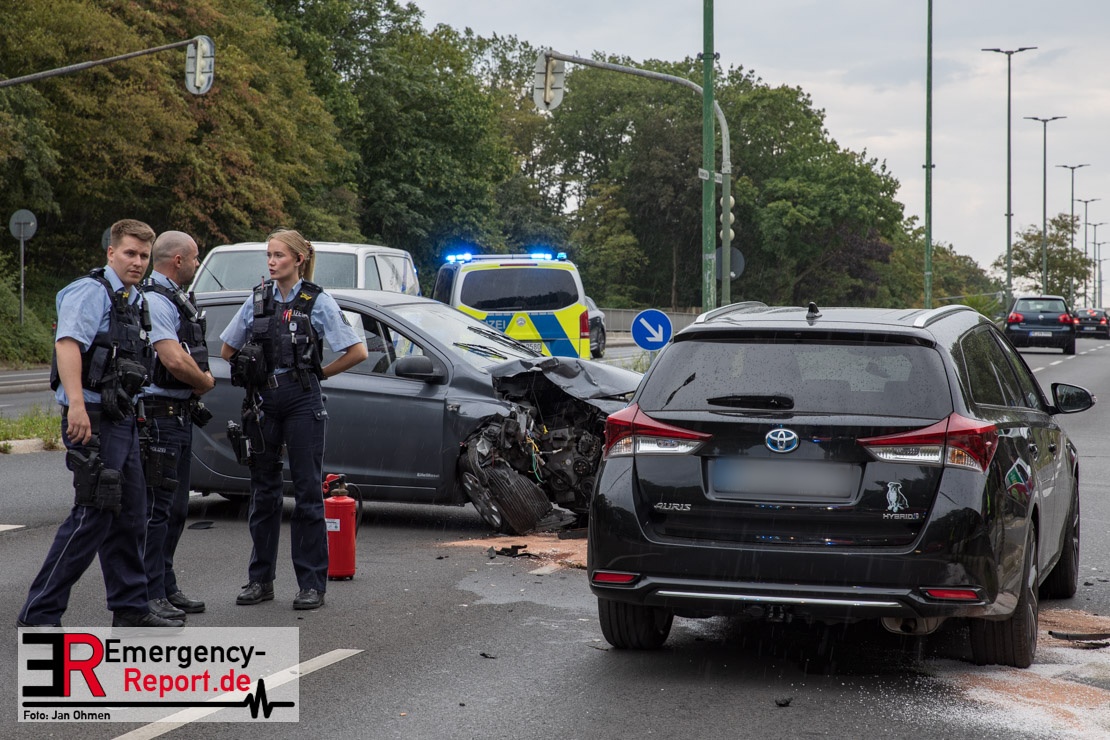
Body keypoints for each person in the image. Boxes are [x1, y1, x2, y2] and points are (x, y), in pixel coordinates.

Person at [18, 219, 183, 629]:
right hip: (91, 415)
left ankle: (130, 608)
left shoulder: (134, 299)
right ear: (111, 252)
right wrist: (75, 404)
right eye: (130, 253)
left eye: (144, 256)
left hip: (122, 417)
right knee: (92, 514)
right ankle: (39, 613)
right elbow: (68, 345)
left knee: (131, 513)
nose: (138, 262)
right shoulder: (90, 292)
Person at [219, 229, 366, 610]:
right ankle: (259, 580)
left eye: (279, 255)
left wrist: (321, 373)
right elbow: (226, 348)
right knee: (264, 493)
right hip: (264, 400)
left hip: (302, 400)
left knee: (306, 493)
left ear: (298, 259)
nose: (271, 261)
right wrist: (249, 366)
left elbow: (357, 351)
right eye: (268, 255)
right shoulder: (257, 299)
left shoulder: (316, 301)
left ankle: (311, 584)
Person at [139, 231, 215, 620]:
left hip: (179, 415)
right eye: (196, 258)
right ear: (179, 260)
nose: (199, 264)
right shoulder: (155, 299)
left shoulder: (177, 298)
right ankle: (150, 592)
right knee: (159, 509)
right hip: (160, 415)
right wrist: (204, 381)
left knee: (177, 508)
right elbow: (171, 358)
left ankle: (165, 585)